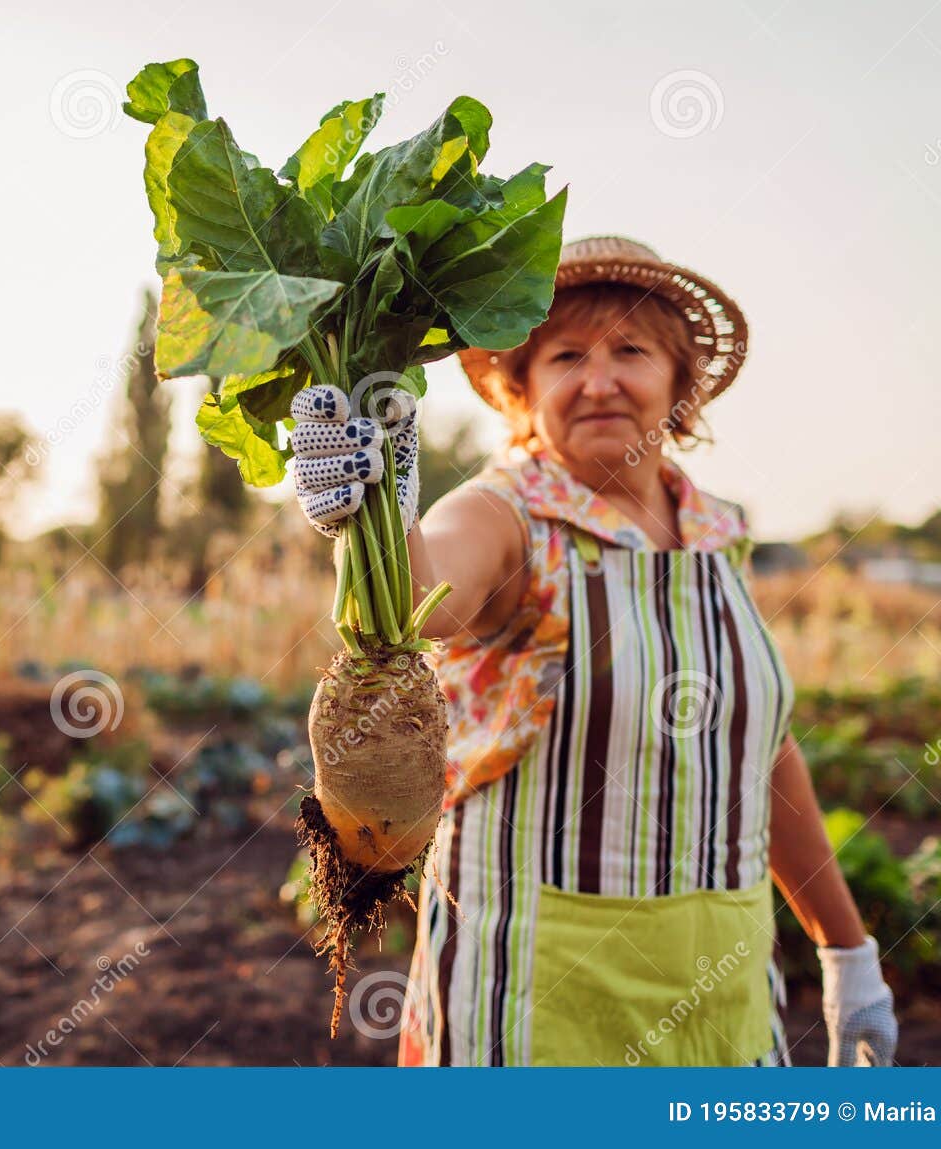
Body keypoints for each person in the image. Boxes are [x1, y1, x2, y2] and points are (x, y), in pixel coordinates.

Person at [289, 235, 899, 1067]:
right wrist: (374, 511)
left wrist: (847, 952)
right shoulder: (506, 512)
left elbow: (763, 752)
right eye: (566, 354)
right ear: (521, 386)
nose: (600, 379)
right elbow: (433, 593)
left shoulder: (720, 532)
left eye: (632, 350)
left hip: (719, 995)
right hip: (532, 995)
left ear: (680, 383)